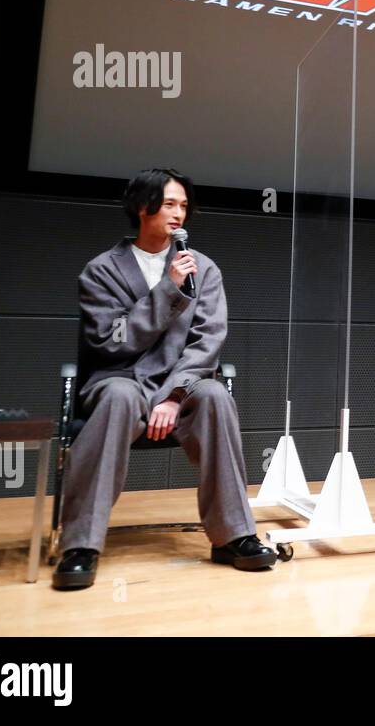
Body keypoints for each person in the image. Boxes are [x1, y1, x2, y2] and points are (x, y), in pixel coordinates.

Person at [53, 168, 276, 590]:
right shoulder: (101, 271)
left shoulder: (204, 269)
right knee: (118, 396)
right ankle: (80, 544)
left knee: (214, 395)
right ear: (143, 207)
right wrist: (168, 290)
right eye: (169, 204)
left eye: (184, 206)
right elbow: (111, 341)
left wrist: (174, 394)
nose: (179, 214)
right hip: (120, 379)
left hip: (181, 385)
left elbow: (208, 339)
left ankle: (234, 535)